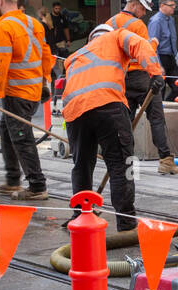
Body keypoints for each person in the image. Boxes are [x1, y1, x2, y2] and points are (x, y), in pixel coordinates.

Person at [63, 24, 164, 232]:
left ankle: (80, 215)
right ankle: (126, 220)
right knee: (122, 164)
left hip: (74, 112)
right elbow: (141, 45)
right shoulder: (116, 36)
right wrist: (155, 73)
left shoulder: (73, 57)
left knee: (81, 164)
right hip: (107, 104)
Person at [0, 0, 54, 201]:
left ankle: (37, 186)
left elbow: (0, 64)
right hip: (32, 92)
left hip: (16, 94)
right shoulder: (34, 23)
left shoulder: (2, 26)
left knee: (22, 138)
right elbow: (45, 55)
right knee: (7, 130)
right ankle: (13, 180)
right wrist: (46, 82)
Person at [105, 0, 178, 175]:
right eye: (143, 9)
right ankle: (165, 160)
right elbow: (145, 54)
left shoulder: (109, 23)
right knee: (156, 117)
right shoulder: (137, 25)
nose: (143, 14)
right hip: (141, 77)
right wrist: (156, 71)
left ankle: (124, 160)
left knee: (125, 120)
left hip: (120, 79)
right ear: (135, 4)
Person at [149, 0, 178, 101]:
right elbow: (152, 46)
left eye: (174, 5)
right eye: (171, 5)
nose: (173, 8)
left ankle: (167, 104)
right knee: (160, 90)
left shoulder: (170, 20)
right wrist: (159, 65)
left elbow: (173, 41)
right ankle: (162, 110)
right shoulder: (156, 21)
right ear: (162, 6)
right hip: (161, 57)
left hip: (170, 57)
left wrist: (177, 60)